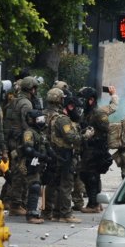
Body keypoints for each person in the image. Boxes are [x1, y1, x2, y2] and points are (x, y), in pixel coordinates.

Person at [43, 88, 84, 224]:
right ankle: (65, 214)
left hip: (50, 153)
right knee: (66, 184)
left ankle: (50, 212)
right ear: (60, 100)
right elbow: (72, 138)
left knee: (52, 183)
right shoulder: (62, 119)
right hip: (63, 154)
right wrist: (85, 136)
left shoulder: (44, 115)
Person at [76, 86, 118, 214]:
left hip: (96, 150)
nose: (80, 102)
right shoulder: (87, 113)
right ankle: (95, 202)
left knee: (90, 175)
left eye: (83, 99)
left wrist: (96, 140)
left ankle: (93, 204)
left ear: (91, 100)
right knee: (89, 175)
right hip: (88, 149)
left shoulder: (98, 113)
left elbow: (107, 130)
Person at [1, 76, 38, 216]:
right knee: (21, 173)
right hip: (20, 143)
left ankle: (5, 199)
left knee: (13, 171)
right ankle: (16, 204)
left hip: (11, 142)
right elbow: (27, 125)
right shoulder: (26, 104)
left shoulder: (12, 102)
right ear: (32, 89)